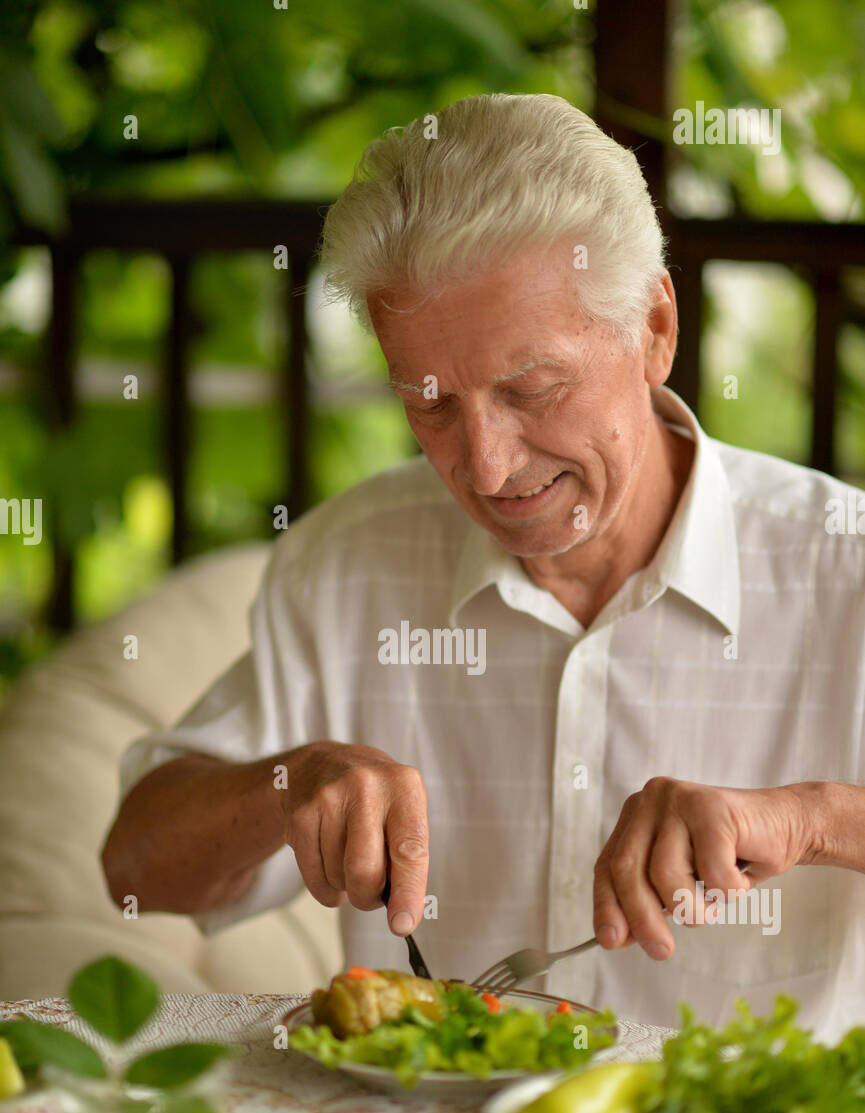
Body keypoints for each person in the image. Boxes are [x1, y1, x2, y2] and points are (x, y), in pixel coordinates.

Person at [102, 93, 865, 1039]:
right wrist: (289, 782)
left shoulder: (845, 565)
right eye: (429, 404)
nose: (489, 466)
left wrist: (811, 820)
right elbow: (135, 868)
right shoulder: (347, 564)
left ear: (654, 330)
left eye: (532, 390)